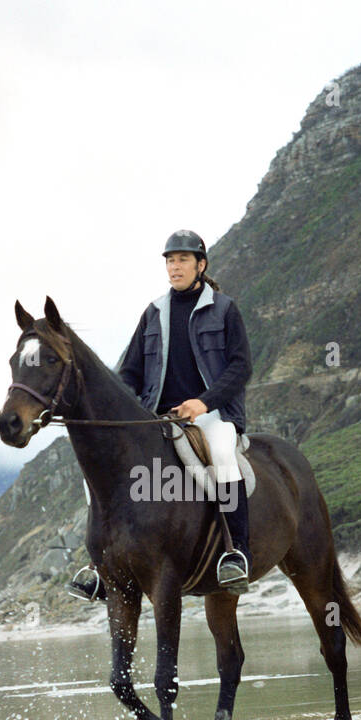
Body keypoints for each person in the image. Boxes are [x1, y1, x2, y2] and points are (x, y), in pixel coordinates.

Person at [68, 229, 253, 600]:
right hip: (156, 416)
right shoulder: (153, 313)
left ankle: (236, 554)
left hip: (208, 414)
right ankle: (99, 565)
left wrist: (204, 402)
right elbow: (129, 374)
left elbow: (240, 366)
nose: (175, 266)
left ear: (201, 265)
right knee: (98, 473)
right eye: (170, 260)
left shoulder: (224, 309)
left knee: (221, 454)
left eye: (183, 259)